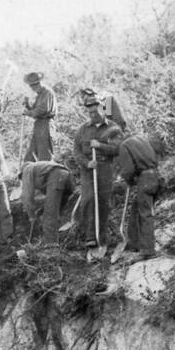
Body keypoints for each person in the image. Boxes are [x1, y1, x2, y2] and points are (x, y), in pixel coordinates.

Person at [71, 92, 125, 250]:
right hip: (88, 170)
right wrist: (87, 163)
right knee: (88, 199)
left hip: (105, 169)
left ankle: (102, 237)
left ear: (103, 109)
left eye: (96, 112)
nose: (93, 115)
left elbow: (119, 149)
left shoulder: (113, 128)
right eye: (90, 113)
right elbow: (77, 151)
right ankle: (90, 237)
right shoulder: (82, 129)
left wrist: (100, 146)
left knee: (103, 202)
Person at [116, 133, 167, 261]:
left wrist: (129, 180)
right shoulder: (142, 139)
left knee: (145, 213)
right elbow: (159, 152)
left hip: (145, 179)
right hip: (156, 177)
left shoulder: (124, 145)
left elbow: (128, 170)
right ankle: (134, 244)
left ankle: (148, 250)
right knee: (136, 209)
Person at [18, 159, 76, 245]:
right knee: (52, 209)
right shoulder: (40, 168)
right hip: (68, 177)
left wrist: (31, 216)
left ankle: (51, 244)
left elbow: (26, 197)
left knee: (50, 212)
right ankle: (52, 233)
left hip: (56, 177)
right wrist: (40, 211)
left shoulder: (27, 170)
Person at [21, 72, 56, 162]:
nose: (31, 88)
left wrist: (28, 112)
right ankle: (26, 173)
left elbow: (42, 110)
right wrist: (27, 104)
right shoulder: (40, 95)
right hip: (39, 125)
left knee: (44, 156)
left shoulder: (47, 93)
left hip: (46, 125)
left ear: (36, 84)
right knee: (31, 155)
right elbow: (35, 109)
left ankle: (46, 174)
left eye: (32, 85)